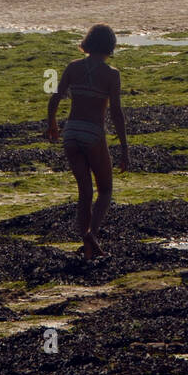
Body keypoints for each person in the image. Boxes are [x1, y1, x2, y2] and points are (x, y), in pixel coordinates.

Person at [46, 24, 129, 261]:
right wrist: (124, 148)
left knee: (84, 193)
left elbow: (55, 98)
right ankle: (92, 233)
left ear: (88, 42)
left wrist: (52, 125)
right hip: (93, 132)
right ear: (110, 46)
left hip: (71, 131)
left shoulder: (73, 67)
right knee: (105, 190)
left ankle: (88, 248)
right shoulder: (112, 74)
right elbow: (116, 114)